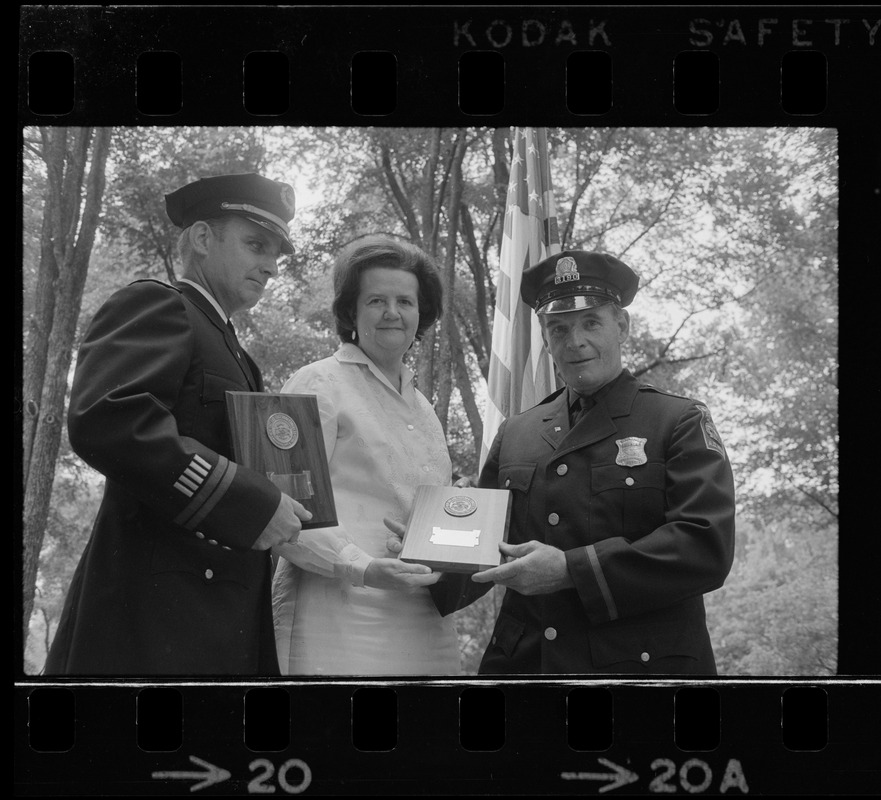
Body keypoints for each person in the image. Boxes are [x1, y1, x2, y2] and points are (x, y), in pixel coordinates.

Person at [44, 173, 313, 676]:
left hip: (224, 608)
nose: (272, 266)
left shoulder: (238, 354)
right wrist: (249, 504)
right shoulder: (160, 305)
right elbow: (108, 420)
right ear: (203, 239)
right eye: (256, 244)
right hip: (151, 611)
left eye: (276, 252)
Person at [431, 250, 736, 674]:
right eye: (559, 328)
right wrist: (427, 554)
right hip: (525, 666)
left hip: (637, 670)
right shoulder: (517, 432)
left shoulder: (678, 420)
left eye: (591, 323)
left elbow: (706, 546)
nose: (575, 341)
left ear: (622, 326)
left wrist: (572, 570)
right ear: (545, 337)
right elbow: (483, 542)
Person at [271, 234, 462, 675]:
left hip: (425, 616)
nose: (392, 312)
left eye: (405, 301)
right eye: (376, 300)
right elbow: (282, 515)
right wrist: (363, 567)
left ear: (422, 312)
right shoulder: (316, 383)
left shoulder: (425, 409)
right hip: (337, 617)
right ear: (351, 311)